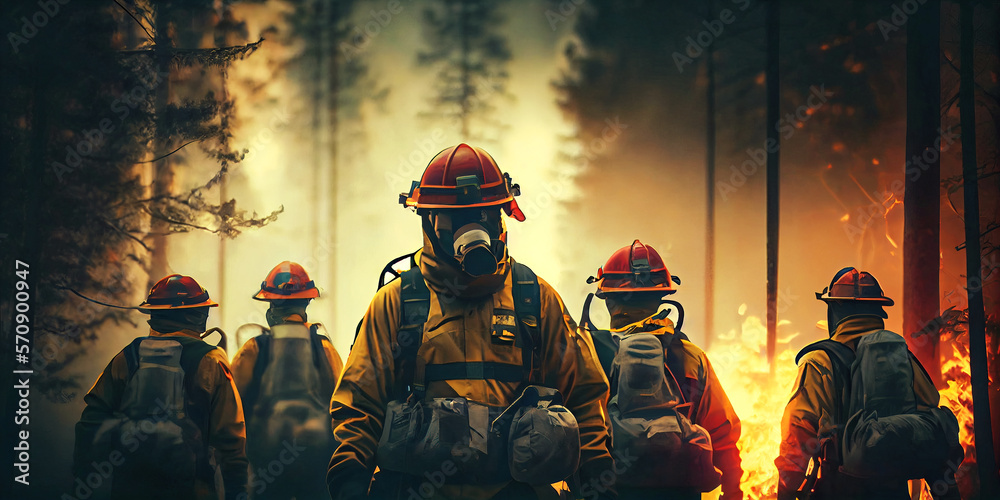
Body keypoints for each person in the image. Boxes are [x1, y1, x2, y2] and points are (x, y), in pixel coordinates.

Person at [327, 143, 615, 500]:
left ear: (501, 218)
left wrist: (597, 477)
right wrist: (350, 479)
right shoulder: (398, 302)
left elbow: (584, 396)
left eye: (483, 215)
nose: (472, 229)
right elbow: (359, 403)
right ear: (429, 222)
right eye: (457, 219)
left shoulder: (535, 299)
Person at [776, 267, 962, 500]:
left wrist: (786, 490)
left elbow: (798, 431)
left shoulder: (819, 361)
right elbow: (930, 412)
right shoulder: (901, 357)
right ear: (878, 310)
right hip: (894, 491)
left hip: (840, 489)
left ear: (836, 309)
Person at [581, 239, 743, 500]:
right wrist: (733, 490)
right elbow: (723, 433)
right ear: (660, 297)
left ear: (607, 299)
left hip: (608, 492)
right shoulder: (691, 357)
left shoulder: (587, 354)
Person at [73, 274, 248, 500]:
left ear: (154, 313)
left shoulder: (127, 356)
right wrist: (237, 490)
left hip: (130, 488)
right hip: (193, 489)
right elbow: (230, 436)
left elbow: (91, 421)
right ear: (196, 315)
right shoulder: (212, 360)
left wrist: (83, 481)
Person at [230, 261, 343, 500]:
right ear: (306, 303)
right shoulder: (324, 350)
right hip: (317, 462)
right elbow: (342, 405)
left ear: (272, 306)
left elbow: (232, 410)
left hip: (266, 465)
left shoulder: (254, 349)